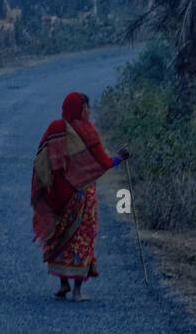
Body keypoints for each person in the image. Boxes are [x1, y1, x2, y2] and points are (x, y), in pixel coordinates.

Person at [30, 92, 129, 301]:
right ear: (82, 109)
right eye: (87, 108)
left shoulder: (55, 129)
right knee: (82, 239)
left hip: (60, 195)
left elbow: (41, 161)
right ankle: (77, 291)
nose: (89, 112)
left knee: (60, 236)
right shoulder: (87, 132)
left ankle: (63, 284)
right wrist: (119, 158)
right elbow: (102, 163)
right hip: (83, 195)